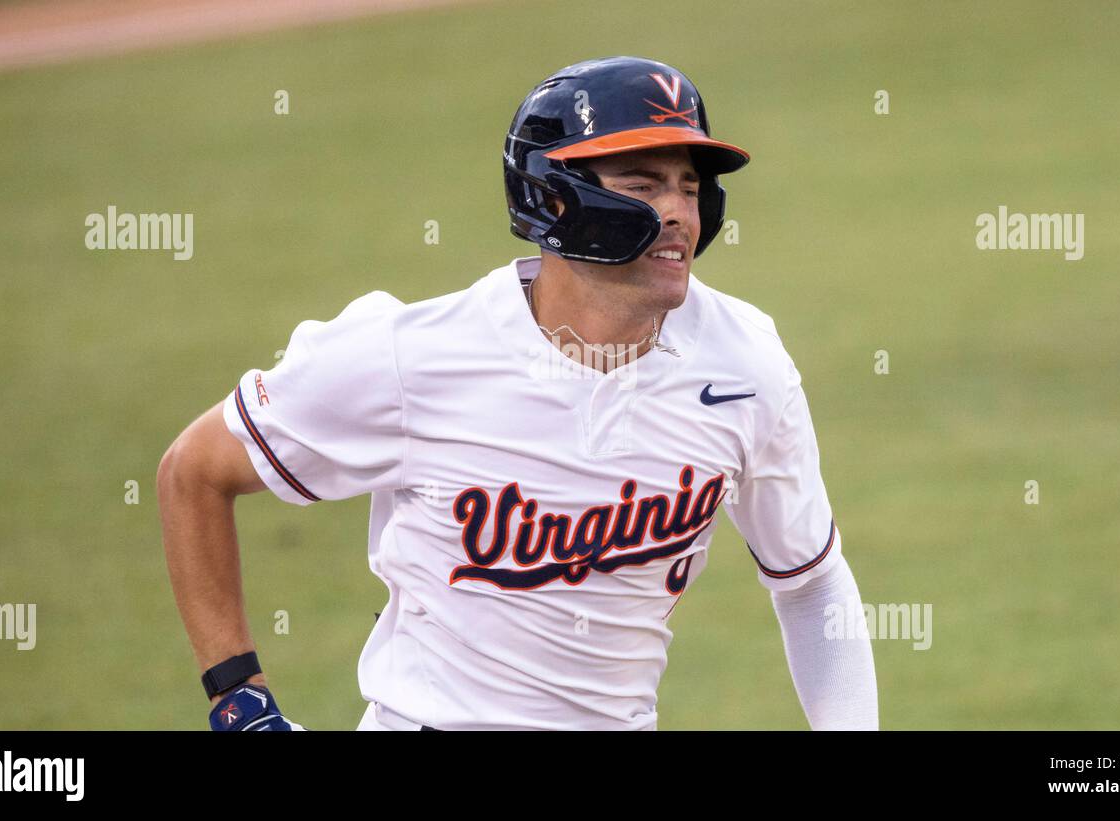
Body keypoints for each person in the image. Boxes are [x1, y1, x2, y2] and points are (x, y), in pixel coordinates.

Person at [157, 56, 878, 731]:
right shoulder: (414, 356)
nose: (682, 213)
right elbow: (194, 471)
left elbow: (812, 584)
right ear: (554, 199)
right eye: (644, 184)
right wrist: (239, 702)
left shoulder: (745, 361)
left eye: (690, 186)